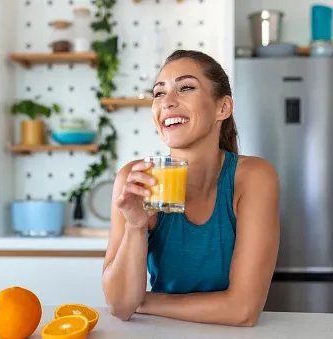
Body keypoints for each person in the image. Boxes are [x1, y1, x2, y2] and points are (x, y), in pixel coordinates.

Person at [102, 49, 280, 327]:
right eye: (159, 93)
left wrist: (144, 300)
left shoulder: (254, 177)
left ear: (223, 108)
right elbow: (121, 306)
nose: (167, 102)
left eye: (185, 88)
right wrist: (135, 225)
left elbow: (243, 310)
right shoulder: (134, 179)